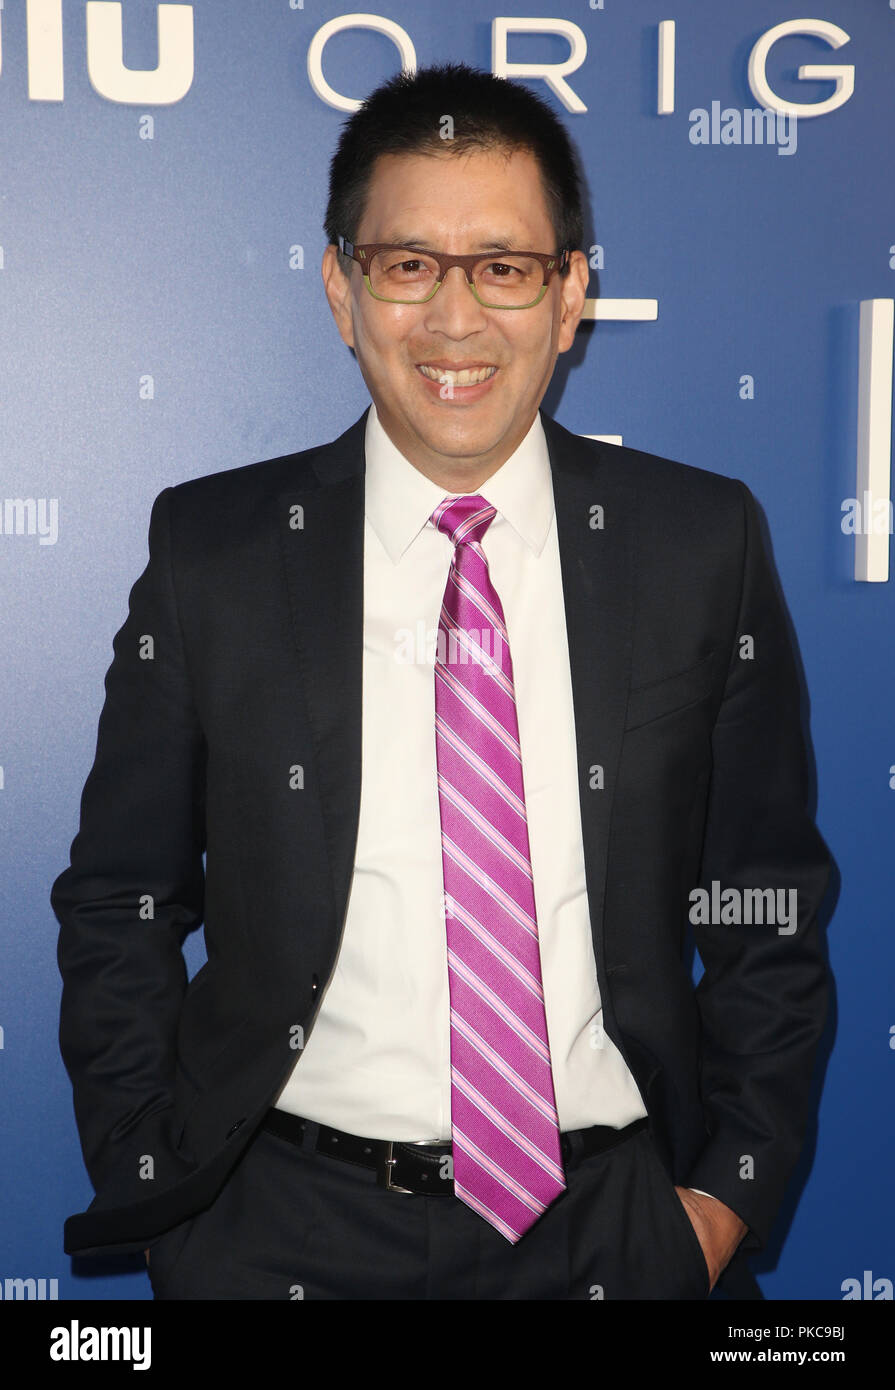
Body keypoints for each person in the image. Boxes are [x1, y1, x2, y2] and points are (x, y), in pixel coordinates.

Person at [51, 62, 831, 1300]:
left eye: (504, 268)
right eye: (407, 264)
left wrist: (720, 1203)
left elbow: (765, 907)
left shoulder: (699, 544)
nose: (454, 320)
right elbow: (120, 901)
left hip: (614, 1233)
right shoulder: (216, 552)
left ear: (572, 293)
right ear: (341, 289)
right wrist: (166, 1193)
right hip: (279, 1235)